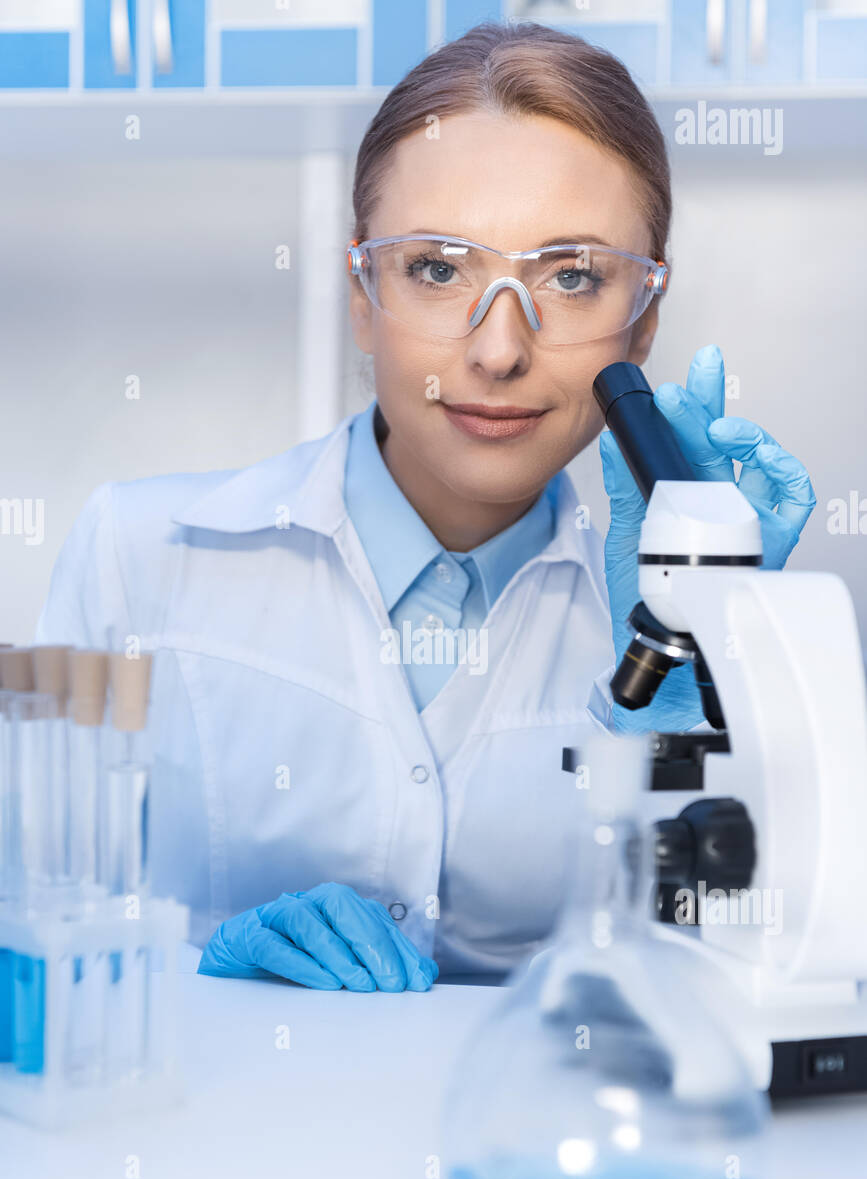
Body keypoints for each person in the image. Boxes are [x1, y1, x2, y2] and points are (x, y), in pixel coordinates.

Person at [35, 22, 815, 989]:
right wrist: (198, 965)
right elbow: (23, 936)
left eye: (570, 278)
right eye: (438, 270)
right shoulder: (140, 556)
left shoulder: (665, 626)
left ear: (642, 322)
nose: (497, 353)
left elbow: (737, 987)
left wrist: (724, 701)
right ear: (362, 294)